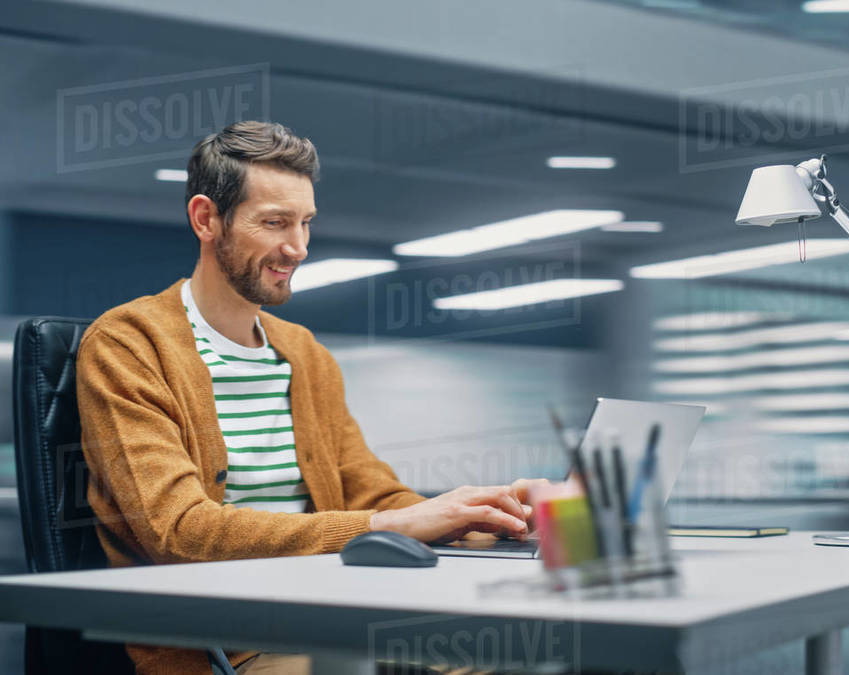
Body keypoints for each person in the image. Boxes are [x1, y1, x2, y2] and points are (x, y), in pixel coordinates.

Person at [77, 120, 546, 675]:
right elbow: (179, 531)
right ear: (206, 219)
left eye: (305, 223)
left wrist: (494, 513)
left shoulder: (304, 353)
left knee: (519, 658)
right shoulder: (129, 344)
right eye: (274, 223)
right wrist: (381, 528)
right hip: (221, 646)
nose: (297, 247)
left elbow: (377, 498)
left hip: (328, 618)